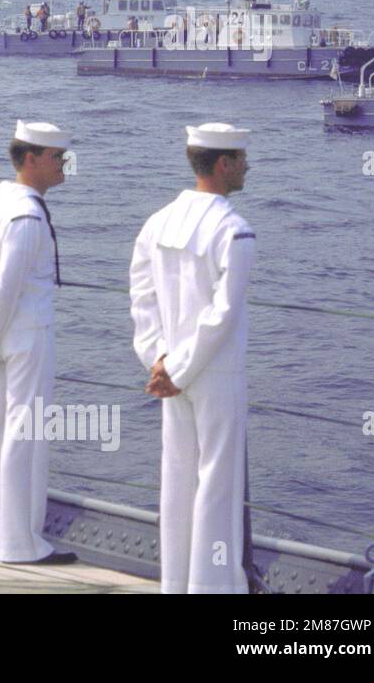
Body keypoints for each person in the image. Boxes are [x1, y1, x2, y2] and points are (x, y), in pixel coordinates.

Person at [130, 123, 255, 594]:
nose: (247, 166)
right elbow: (222, 315)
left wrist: (159, 360)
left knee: (178, 479)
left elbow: (141, 297)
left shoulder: (157, 222)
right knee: (217, 485)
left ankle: (176, 583)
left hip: (169, 373)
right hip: (214, 372)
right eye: (241, 158)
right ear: (223, 165)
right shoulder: (235, 231)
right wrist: (180, 368)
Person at [0, 121, 78, 564]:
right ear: (30, 159)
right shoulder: (26, 215)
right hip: (26, 334)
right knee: (22, 434)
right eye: (55, 156)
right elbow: (5, 287)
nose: (63, 164)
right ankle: (20, 543)